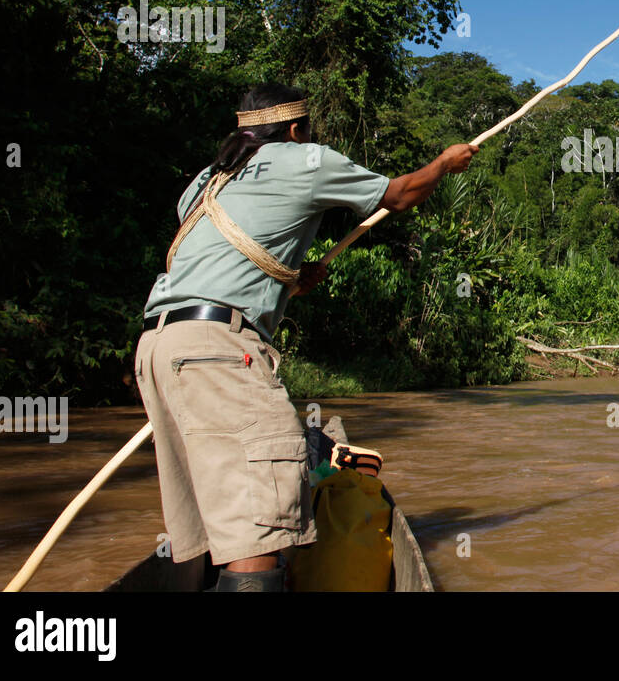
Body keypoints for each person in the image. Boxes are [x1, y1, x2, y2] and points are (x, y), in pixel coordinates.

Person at [133, 83, 476, 591]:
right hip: (218, 349)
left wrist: (290, 278)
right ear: (295, 130)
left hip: (160, 348)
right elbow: (401, 194)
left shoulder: (205, 180)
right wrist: (445, 164)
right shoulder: (306, 159)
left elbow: (219, 256)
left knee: (204, 518)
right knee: (260, 522)